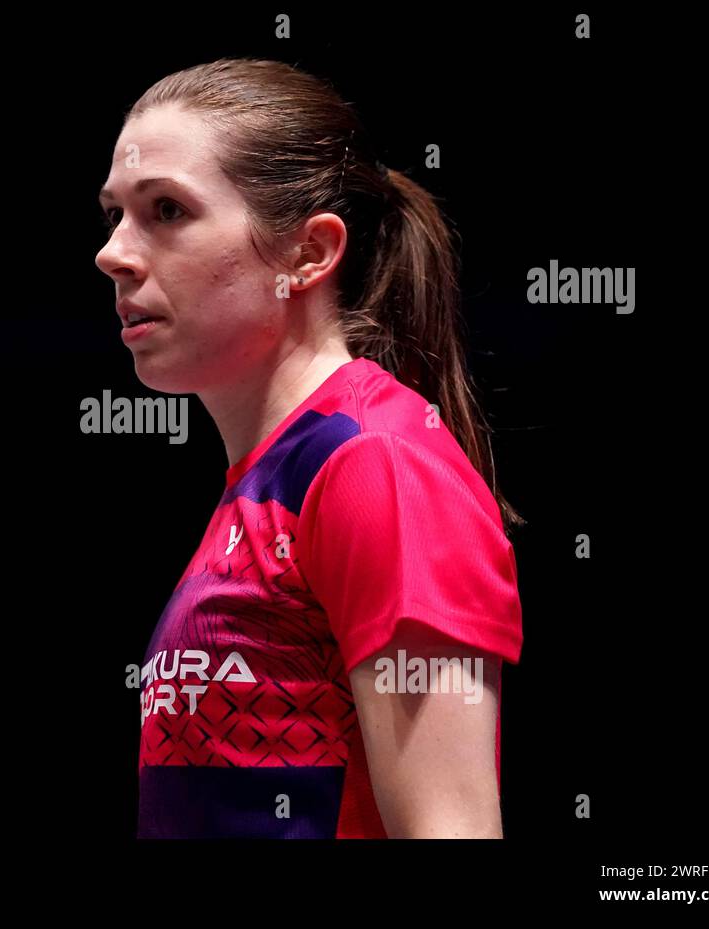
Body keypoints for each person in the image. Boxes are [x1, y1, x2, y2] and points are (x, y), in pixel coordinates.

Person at [95, 58, 525, 838]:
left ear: (309, 253)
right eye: (113, 214)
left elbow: (450, 829)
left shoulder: (376, 465)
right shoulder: (264, 484)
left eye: (165, 210)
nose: (113, 252)